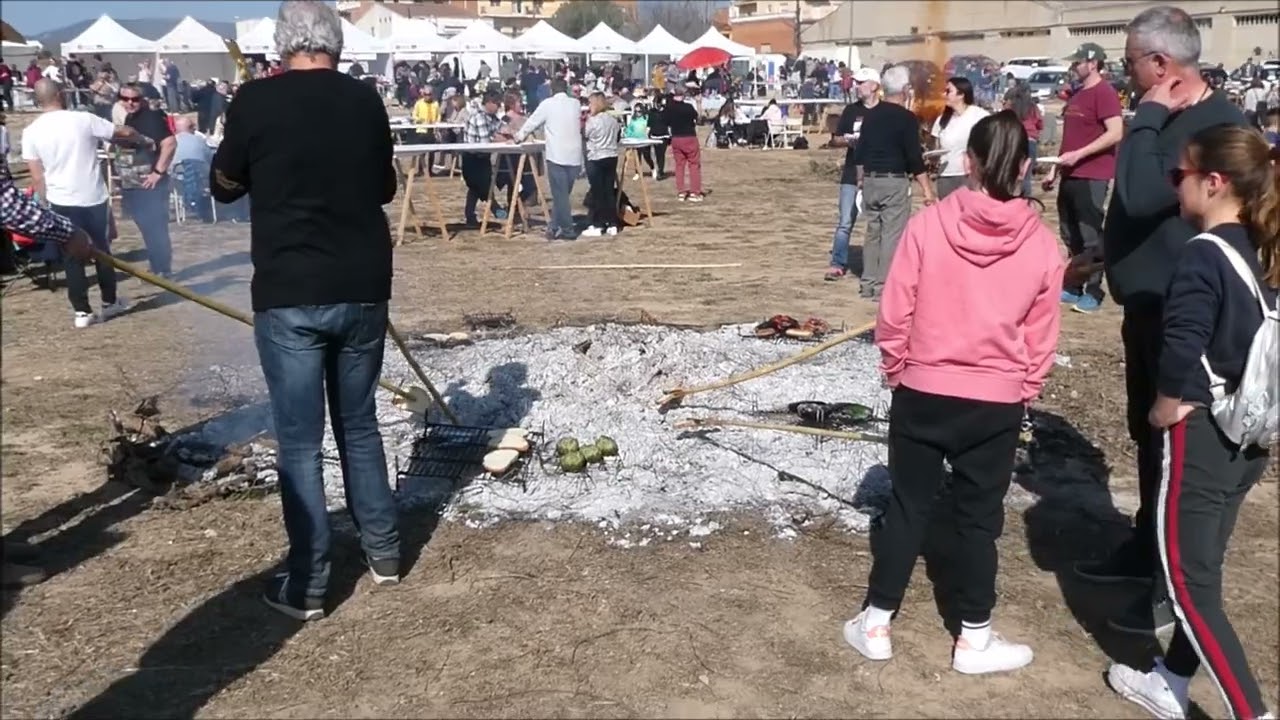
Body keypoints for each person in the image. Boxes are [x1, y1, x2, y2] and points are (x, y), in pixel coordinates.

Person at [845, 111, 1063, 675]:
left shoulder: (927, 225)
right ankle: (974, 637)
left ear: (967, 162)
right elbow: (1041, 334)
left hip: (925, 388)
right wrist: (1025, 386)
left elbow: (896, 308)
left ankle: (876, 623)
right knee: (978, 518)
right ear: (1023, 168)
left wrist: (896, 366)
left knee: (908, 507)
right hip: (995, 399)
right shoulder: (1042, 245)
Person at [209, 0, 402, 621]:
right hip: (362, 281)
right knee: (360, 426)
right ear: (336, 44)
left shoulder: (254, 101)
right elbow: (382, 188)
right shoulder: (364, 100)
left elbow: (222, 182)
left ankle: (309, 585)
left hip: (291, 287)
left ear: (283, 45)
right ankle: (386, 555)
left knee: (299, 443)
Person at [1084, 5, 1248, 638]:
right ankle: (1143, 548)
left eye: (1130, 64)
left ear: (1160, 63)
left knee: (1178, 447)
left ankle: (1167, 589)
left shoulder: (1213, 124)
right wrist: (1106, 253)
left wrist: (1145, 117)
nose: (1127, 77)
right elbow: (1142, 214)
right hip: (1145, 302)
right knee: (1146, 439)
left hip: (1188, 313)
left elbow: (1144, 194)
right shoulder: (1168, 118)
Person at [1106, 124, 1277, 720]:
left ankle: (1250, 713)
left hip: (1202, 433)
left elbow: (1183, 342)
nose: (1172, 185)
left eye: (1179, 174)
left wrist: (1162, 406)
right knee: (1203, 568)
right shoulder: (1258, 250)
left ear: (1215, 181)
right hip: (1246, 437)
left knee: (1188, 584)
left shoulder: (1203, 253)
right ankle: (1171, 678)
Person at [21, 78, 146, 328]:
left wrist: (45, 206)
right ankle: (109, 303)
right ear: (60, 94)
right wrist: (143, 139)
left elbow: (37, 176)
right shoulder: (83, 119)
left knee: (71, 256)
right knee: (101, 250)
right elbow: (122, 132)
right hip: (91, 195)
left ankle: (82, 311)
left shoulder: (31, 131)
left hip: (60, 199)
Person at [1043, 42, 1124, 315]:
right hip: (1070, 173)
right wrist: (1055, 167)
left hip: (1092, 174)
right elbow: (1068, 139)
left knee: (1090, 235)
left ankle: (1093, 290)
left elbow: (1115, 132)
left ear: (1093, 63)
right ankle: (1074, 285)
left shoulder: (1105, 93)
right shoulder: (1077, 95)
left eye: (1078, 62)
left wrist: (1081, 154)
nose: (1074, 66)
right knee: (1070, 233)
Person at [854, 64, 935, 300]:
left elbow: (861, 152)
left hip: (871, 179)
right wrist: (927, 190)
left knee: (873, 232)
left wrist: (861, 180)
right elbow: (914, 158)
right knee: (892, 234)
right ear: (905, 90)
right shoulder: (906, 118)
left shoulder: (870, 116)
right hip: (893, 180)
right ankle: (883, 286)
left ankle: (867, 282)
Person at [117, 81, 176, 277]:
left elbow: (169, 143)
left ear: (142, 100)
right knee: (146, 228)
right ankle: (156, 266)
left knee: (156, 228)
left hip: (150, 185)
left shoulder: (150, 118)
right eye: (125, 99)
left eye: (134, 99)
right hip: (135, 184)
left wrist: (157, 173)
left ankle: (163, 270)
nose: (130, 103)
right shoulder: (130, 117)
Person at [514, 76, 582, 241]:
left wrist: (519, 136)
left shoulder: (547, 105)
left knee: (561, 196)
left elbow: (532, 122)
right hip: (574, 156)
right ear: (566, 89)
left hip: (557, 155)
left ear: (551, 90)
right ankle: (553, 227)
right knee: (563, 195)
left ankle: (567, 230)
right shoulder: (576, 104)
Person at [824, 67, 875, 281]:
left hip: (876, 174)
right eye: (856, 82)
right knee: (845, 221)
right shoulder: (851, 111)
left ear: (874, 85)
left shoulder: (885, 112)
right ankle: (838, 263)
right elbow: (835, 139)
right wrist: (851, 140)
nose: (856, 86)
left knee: (876, 223)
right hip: (851, 173)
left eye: (861, 82)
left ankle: (874, 266)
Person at [932, 77, 989, 199]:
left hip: (969, 175)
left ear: (961, 94)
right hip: (945, 175)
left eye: (949, 91)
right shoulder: (942, 120)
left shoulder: (979, 115)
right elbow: (936, 146)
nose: (944, 94)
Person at [459, 90, 506, 226]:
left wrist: (505, 134)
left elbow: (501, 129)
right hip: (473, 158)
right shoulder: (479, 118)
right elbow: (486, 143)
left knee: (476, 188)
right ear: (489, 103)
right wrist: (500, 138)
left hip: (482, 159)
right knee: (480, 187)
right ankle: (496, 210)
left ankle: (470, 216)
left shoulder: (491, 118)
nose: (499, 107)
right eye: (497, 104)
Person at [582, 91, 621, 238]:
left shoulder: (592, 121)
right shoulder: (613, 120)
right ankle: (612, 223)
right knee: (609, 191)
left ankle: (598, 224)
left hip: (596, 157)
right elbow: (617, 135)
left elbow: (586, 134)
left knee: (597, 192)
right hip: (611, 156)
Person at [1005, 84, 1043, 197]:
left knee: (1013, 173)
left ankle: (1013, 198)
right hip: (1030, 140)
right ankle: (1026, 201)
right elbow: (1040, 123)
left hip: (1015, 140)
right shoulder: (1033, 107)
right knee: (1026, 175)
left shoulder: (1012, 106)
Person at [664, 88, 702, 202]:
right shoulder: (688, 107)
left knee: (679, 166)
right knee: (694, 165)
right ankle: (694, 193)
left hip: (676, 138)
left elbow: (666, 122)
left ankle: (681, 192)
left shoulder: (669, 109)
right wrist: (699, 103)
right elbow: (699, 118)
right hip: (689, 137)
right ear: (683, 95)